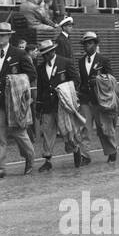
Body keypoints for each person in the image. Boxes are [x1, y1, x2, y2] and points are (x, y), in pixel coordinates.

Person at [0, 23, 38, 180]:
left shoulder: (19, 54)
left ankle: (30, 157)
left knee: (19, 132)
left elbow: (31, 74)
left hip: (15, 102)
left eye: (2, 35)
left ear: (9, 36)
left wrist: (15, 80)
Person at [32, 37, 83, 171]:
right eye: (44, 54)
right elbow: (40, 87)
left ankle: (76, 150)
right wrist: (38, 107)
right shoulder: (41, 68)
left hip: (63, 105)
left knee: (67, 131)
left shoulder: (65, 63)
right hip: (48, 106)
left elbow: (76, 80)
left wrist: (65, 89)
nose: (46, 56)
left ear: (53, 51)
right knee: (48, 132)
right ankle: (47, 159)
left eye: (48, 53)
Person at [76, 31, 117, 163]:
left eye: (90, 43)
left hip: (100, 100)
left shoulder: (103, 60)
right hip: (85, 99)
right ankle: (85, 155)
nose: (87, 46)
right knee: (85, 128)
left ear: (95, 44)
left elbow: (111, 79)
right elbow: (81, 80)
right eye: (85, 43)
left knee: (103, 127)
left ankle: (111, 151)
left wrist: (99, 80)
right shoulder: (81, 62)